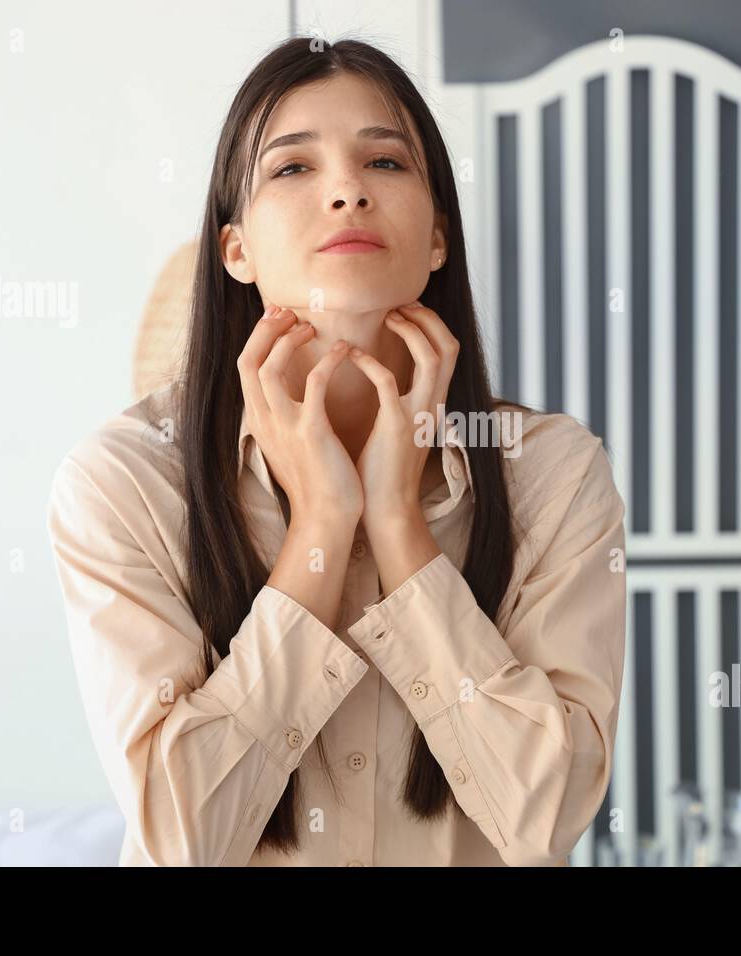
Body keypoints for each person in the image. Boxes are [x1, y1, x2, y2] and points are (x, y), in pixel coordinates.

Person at [45, 36, 627, 866]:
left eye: (385, 162)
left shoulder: (552, 473)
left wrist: (398, 523)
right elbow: (182, 842)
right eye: (293, 169)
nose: (348, 191)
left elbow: (547, 817)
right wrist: (323, 522)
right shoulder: (124, 483)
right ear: (235, 250)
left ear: (437, 239)